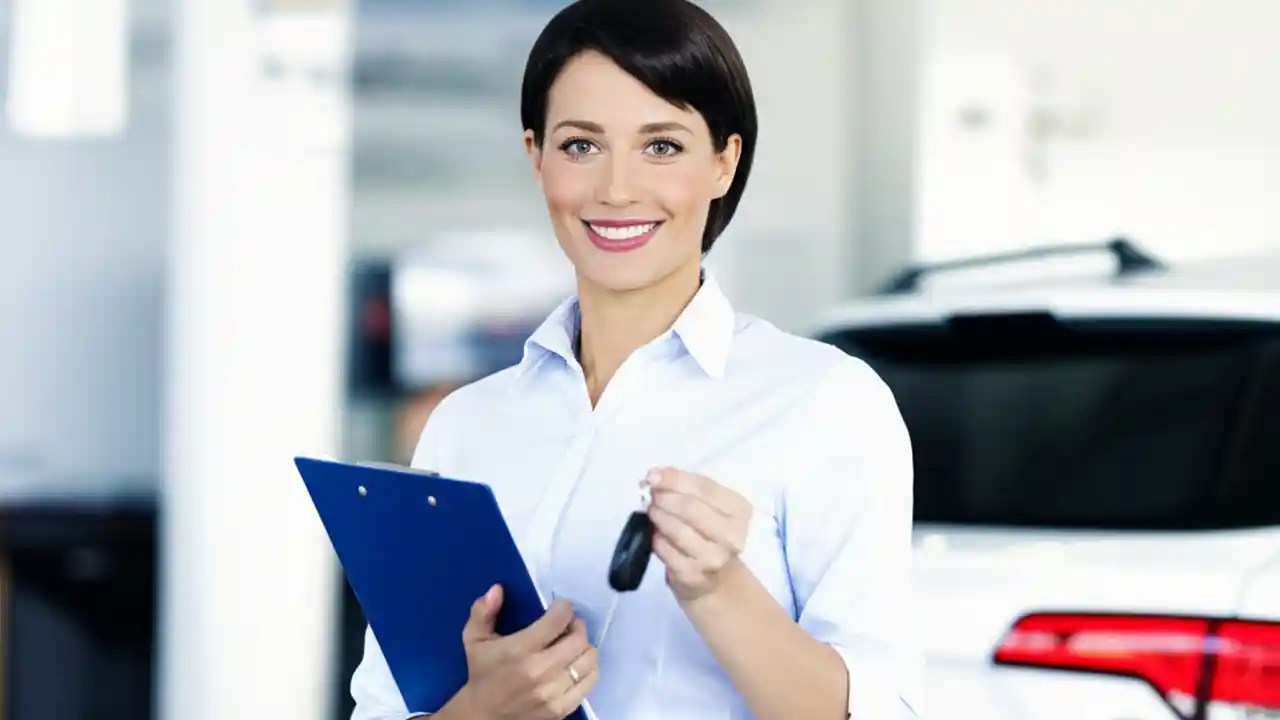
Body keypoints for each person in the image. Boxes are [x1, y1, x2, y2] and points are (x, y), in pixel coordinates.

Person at [350, 0, 923, 718]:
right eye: (582, 146)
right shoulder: (468, 424)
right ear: (536, 157)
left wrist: (720, 589)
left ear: (724, 162)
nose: (617, 189)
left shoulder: (824, 402)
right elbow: (382, 705)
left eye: (662, 146)